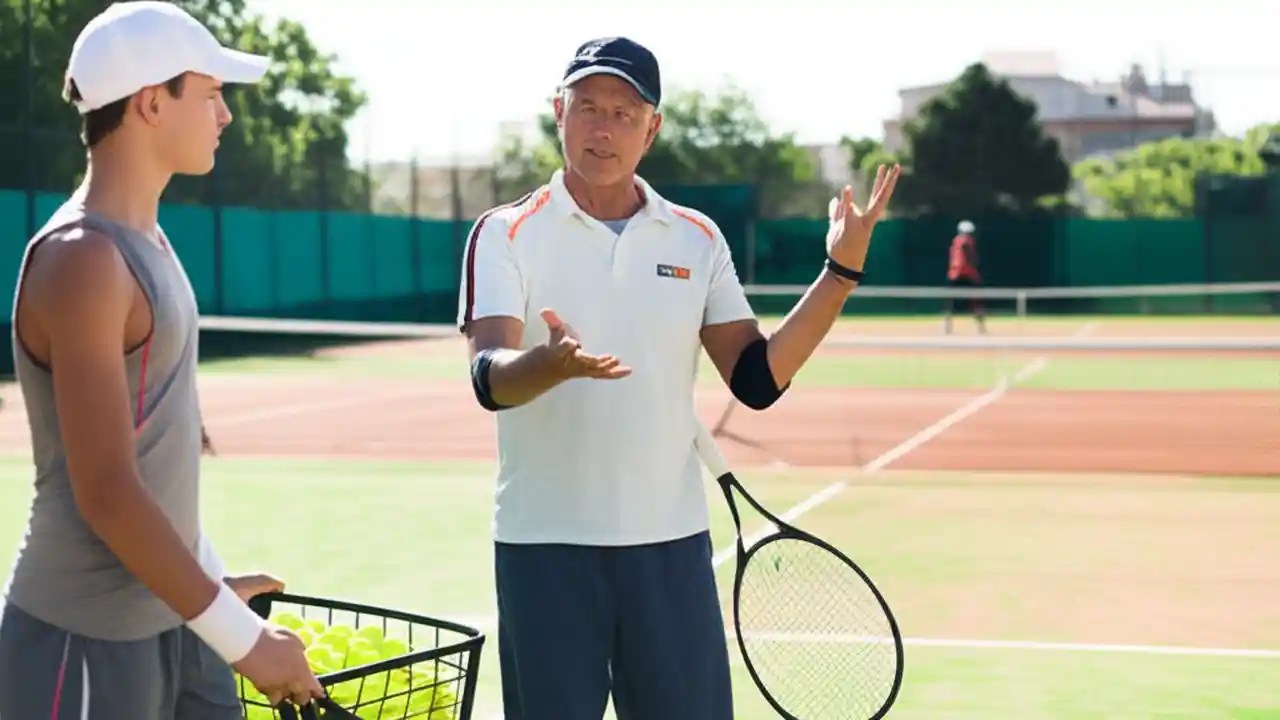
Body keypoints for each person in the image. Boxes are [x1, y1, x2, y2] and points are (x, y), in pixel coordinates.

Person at [458, 36, 899, 720]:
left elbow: (756, 379)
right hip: (544, 549)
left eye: (624, 113)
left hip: (669, 549)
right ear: (559, 112)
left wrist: (839, 273)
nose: (603, 128)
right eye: (587, 108)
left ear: (652, 128)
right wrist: (548, 366)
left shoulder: (696, 237)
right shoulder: (505, 232)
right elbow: (489, 377)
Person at [0, 3, 323, 716]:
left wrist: (207, 586)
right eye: (211, 94)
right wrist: (242, 637)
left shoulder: (148, 241)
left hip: (171, 623)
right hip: (81, 642)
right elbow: (107, 491)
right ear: (151, 103)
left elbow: (155, 461)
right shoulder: (84, 258)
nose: (225, 115)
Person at [944, 219, 987, 334]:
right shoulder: (967, 241)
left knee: (950, 302)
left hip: (954, 274)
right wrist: (974, 264)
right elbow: (966, 251)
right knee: (976, 301)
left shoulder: (954, 241)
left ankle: (947, 328)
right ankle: (981, 327)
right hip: (967, 274)